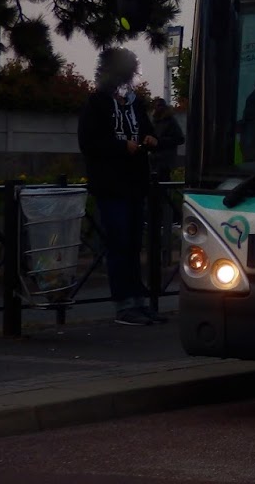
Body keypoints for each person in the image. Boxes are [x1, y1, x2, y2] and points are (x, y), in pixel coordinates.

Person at [78, 46, 163, 325]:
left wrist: (150, 139)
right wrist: (120, 146)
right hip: (111, 184)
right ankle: (124, 305)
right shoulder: (97, 103)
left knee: (133, 243)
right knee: (119, 242)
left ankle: (137, 301)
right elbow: (89, 142)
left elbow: (147, 129)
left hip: (135, 183)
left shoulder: (134, 102)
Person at [150, 96, 185, 181]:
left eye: (161, 106)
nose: (159, 108)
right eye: (157, 106)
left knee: (164, 185)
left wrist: (160, 141)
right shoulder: (154, 121)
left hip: (166, 161)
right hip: (154, 160)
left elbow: (180, 139)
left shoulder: (170, 121)